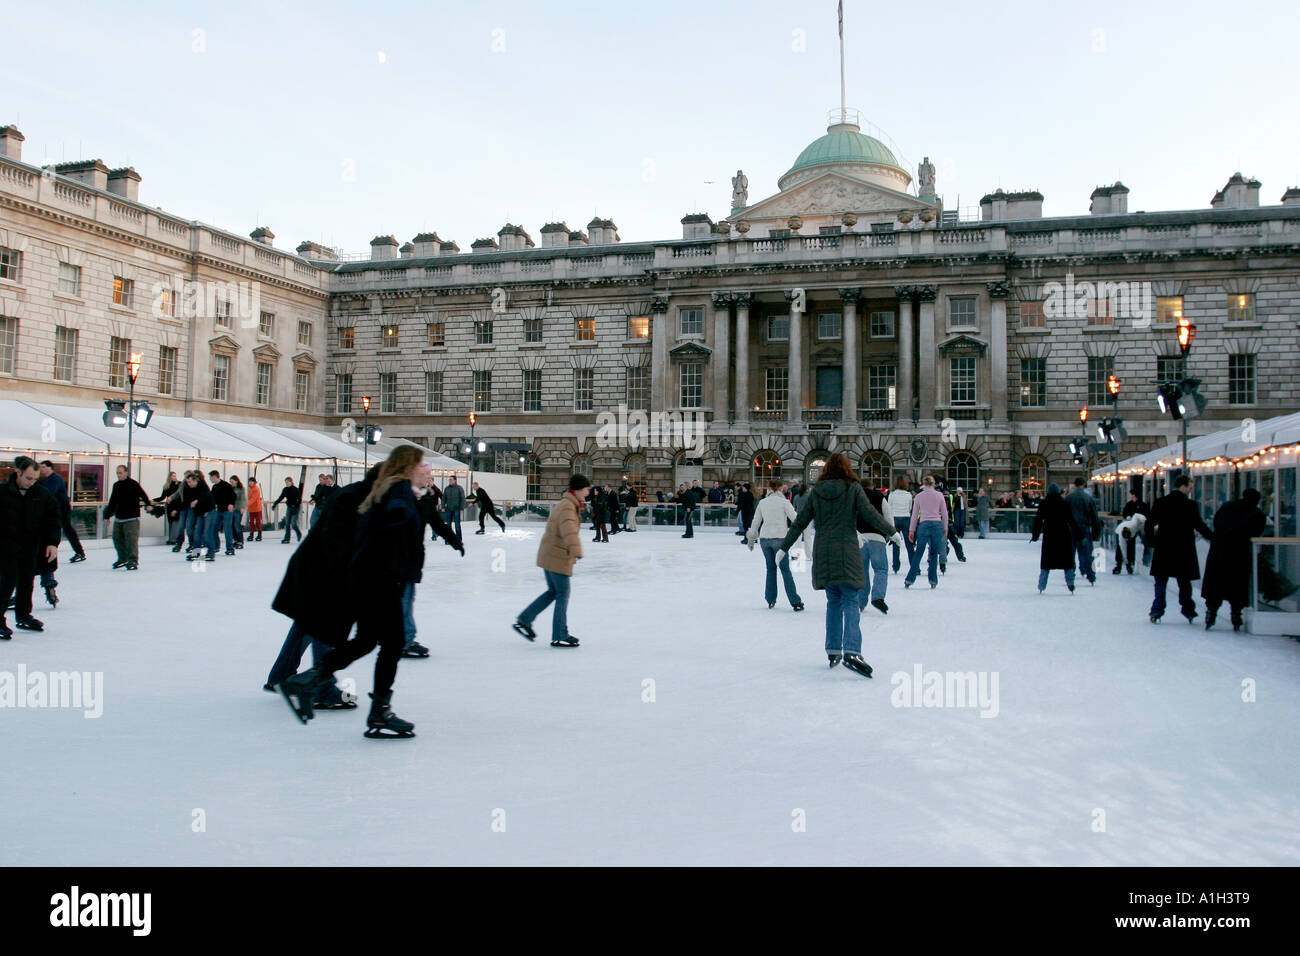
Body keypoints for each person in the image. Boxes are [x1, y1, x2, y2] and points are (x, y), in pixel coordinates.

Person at [279, 447, 428, 738]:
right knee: (392, 643)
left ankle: (309, 680)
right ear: (409, 466)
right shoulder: (398, 491)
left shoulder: (388, 489)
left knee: (367, 641)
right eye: (422, 464)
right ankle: (378, 712)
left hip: (369, 579)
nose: (427, 469)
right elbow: (392, 522)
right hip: (379, 582)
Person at [776, 454, 894, 676]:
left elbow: (800, 521)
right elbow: (870, 515)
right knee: (850, 600)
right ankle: (852, 650)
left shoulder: (817, 491)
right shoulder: (853, 488)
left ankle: (832, 650)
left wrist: (784, 547)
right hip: (847, 549)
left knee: (833, 602)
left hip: (824, 551)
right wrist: (892, 532)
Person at [514, 474, 589, 647]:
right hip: (556, 556)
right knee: (562, 593)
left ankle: (525, 619)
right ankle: (559, 634)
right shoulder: (568, 507)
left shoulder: (568, 503)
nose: (587, 493)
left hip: (550, 554)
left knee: (553, 592)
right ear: (578, 489)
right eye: (585, 489)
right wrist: (576, 550)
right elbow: (568, 530)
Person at [0, 457, 61, 637]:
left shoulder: (41, 494)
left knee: (26, 581)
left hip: (29, 547)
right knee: (7, 581)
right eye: (28, 478)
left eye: (35, 478)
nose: (31, 482)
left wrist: (52, 542)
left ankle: (23, 616)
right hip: (5, 547)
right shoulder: (3, 493)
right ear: (18, 473)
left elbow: (53, 518)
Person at [1146, 474, 1214, 624]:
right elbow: (1199, 525)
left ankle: (1157, 610)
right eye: (1190, 486)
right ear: (1183, 486)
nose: (1191, 489)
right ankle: (1188, 609)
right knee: (1184, 582)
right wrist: (1213, 538)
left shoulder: (1161, 502)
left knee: (1160, 582)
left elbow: (1149, 523)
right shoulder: (1190, 505)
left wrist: (1152, 542)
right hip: (1183, 549)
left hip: (1163, 547)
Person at [1201, 488, 1267, 632]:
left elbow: (1217, 522)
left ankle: (1211, 614)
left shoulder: (1227, 507)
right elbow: (1257, 531)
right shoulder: (1257, 514)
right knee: (1237, 587)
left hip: (1219, 552)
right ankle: (1236, 616)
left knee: (1215, 586)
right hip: (1239, 555)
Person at [745, 480, 804, 611]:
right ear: (780, 489)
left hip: (765, 539)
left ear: (769, 489)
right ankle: (795, 601)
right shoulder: (784, 503)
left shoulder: (763, 503)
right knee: (785, 570)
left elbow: (755, 522)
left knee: (770, 569)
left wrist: (751, 538)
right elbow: (796, 519)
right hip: (779, 538)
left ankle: (770, 599)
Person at [859, 483, 904, 614]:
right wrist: (891, 534)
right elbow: (888, 516)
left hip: (859, 538)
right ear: (872, 487)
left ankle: (861, 602)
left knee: (862, 571)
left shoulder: (856, 497)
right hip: (877, 537)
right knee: (881, 569)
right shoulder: (879, 497)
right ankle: (878, 597)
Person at [1031, 483, 1079, 593]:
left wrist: (1035, 536)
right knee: (1067, 562)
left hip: (1050, 535)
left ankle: (1042, 585)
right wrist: (1080, 535)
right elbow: (1071, 520)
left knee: (1046, 563)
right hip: (1063, 535)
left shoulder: (1044, 503)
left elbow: (1038, 520)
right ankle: (1070, 583)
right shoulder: (1064, 503)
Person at [103, 465, 151, 570]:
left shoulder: (133, 484)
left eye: (120, 473)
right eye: (117, 473)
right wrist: (107, 516)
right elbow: (112, 501)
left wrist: (148, 504)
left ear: (126, 472)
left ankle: (133, 560)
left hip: (132, 518)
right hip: (119, 517)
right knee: (117, 538)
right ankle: (122, 558)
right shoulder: (116, 485)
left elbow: (143, 495)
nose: (118, 475)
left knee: (131, 540)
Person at [905, 475, 948, 590]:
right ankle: (933, 579)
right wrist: (945, 528)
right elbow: (944, 513)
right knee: (934, 553)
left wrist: (911, 531)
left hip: (924, 525)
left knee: (918, 552)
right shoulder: (939, 495)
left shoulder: (919, 496)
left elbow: (914, 515)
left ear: (923, 484)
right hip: (937, 524)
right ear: (934, 484)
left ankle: (910, 578)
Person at [38, 461, 86, 563]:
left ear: (50, 468)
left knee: (66, 529)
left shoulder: (55, 479)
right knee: (65, 529)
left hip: (62, 508)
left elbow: (50, 492)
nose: (41, 469)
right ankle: (78, 552)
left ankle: (78, 552)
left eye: (43, 467)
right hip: (56, 508)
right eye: (40, 467)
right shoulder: (48, 479)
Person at [1066, 478, 1101, 585]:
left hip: (1071, 529)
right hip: (1084, 529)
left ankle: (1070, 574)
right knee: (1086, 552)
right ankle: (1090, 575)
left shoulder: (1069, 498)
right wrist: (1096, 532)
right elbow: (1094, 517)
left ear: (1075, 485)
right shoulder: (1088, 498)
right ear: (1084, 485)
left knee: (1070, 553)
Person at [182, 472, 218, 561]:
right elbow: (189, 501)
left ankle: (211, 553)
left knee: (207, 533)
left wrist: (197, 502)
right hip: (200, 513)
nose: (188, 484)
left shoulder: (202, 485)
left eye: (190, 482)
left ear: (195, 480)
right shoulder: (190, 489)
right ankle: (196, 553)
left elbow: (206, 496)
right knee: (197, 533)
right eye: (187, 482)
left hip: (209, 511)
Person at [1113, 490, 1149, 574]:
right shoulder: (1129, 505)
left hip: (1134, 528)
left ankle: (1130, 563)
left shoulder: (1142, 506)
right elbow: (1125, 513)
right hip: (1127, 528)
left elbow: (1144, 516)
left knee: (1130, 546)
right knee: (1122, 547)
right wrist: (1127, 516)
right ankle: (1122, 563)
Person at [887, 475, 914, 572]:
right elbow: (910, 508)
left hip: (895, 518)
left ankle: (896, 566)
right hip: (906, 518)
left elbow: (889, 507)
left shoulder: (892, 494)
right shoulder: (908, 495)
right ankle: (914, 566)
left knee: (896, 543)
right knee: (909, 544)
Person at [209, 471, 238, 556]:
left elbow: (233, 496)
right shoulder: (214, 487)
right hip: (218, 511)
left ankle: (230, 548)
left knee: (227, 529)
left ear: (215, 477)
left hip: (227, 511)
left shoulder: (226, 485)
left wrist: (231, 504)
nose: (210, 479)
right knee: (214, 528)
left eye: (211, 477)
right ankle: (216, 546)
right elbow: (211, 498)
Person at [154, 471, 181, 545]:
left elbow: (180, 495)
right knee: (171, 522)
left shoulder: (179, 484)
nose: (175, 477)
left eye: (175, 476)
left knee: (176, 521)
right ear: (170, 477)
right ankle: (171, 538)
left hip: (177, 504)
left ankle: (174, 539)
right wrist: (153, 500)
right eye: (173, 476)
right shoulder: (167, 486)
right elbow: (162, 497)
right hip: (169, 505)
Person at [273, 476, 303, 543]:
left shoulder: (296, 489)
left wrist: (296, 506)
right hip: (289, 508)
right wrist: (275, 504)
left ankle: (299, 533)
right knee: (287, 524)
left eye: (288, 482)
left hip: (296, 507)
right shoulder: (285, 489)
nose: (287, 483)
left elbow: (299, 500)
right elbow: (281, 497)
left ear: (291, 482)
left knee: (293, 524)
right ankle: (287, 538)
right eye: (286, 482)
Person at [442, 475, 465, 540]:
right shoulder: (447, 488)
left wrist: (461, 508)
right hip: (448, 509)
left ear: (455, 480)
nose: (450, 481)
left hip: (456, 509)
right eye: (449, 480)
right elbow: (444, 498)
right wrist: (443, 506)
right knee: (448, 525)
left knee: (457, 525)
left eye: (451, 479)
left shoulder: (459, 488)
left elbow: (462, 498)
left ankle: (459, 539)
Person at [229, 475, 247, 548]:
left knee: (237, 525)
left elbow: (243, 499)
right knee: (232, 525)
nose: (231, 483)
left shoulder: (241, 489)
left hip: (238, 509)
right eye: (230, 482)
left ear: (236, 481)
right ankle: (235, 540)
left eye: (232, 482)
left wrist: (243, 507)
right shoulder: (231, 489)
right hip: (232, 509)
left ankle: (240, 541)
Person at [246, 477, 264, 541]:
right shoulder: (250, 489)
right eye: (249, 481)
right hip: (251, 508)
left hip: (257, 508)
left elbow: (253, 499)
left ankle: (259, 534)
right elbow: (250, 498)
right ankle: (251, 534)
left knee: (258, 522)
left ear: (254, 482)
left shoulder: (256, 489)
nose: (250, 483)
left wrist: (246, 504)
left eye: (251, 482)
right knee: (251, 522)